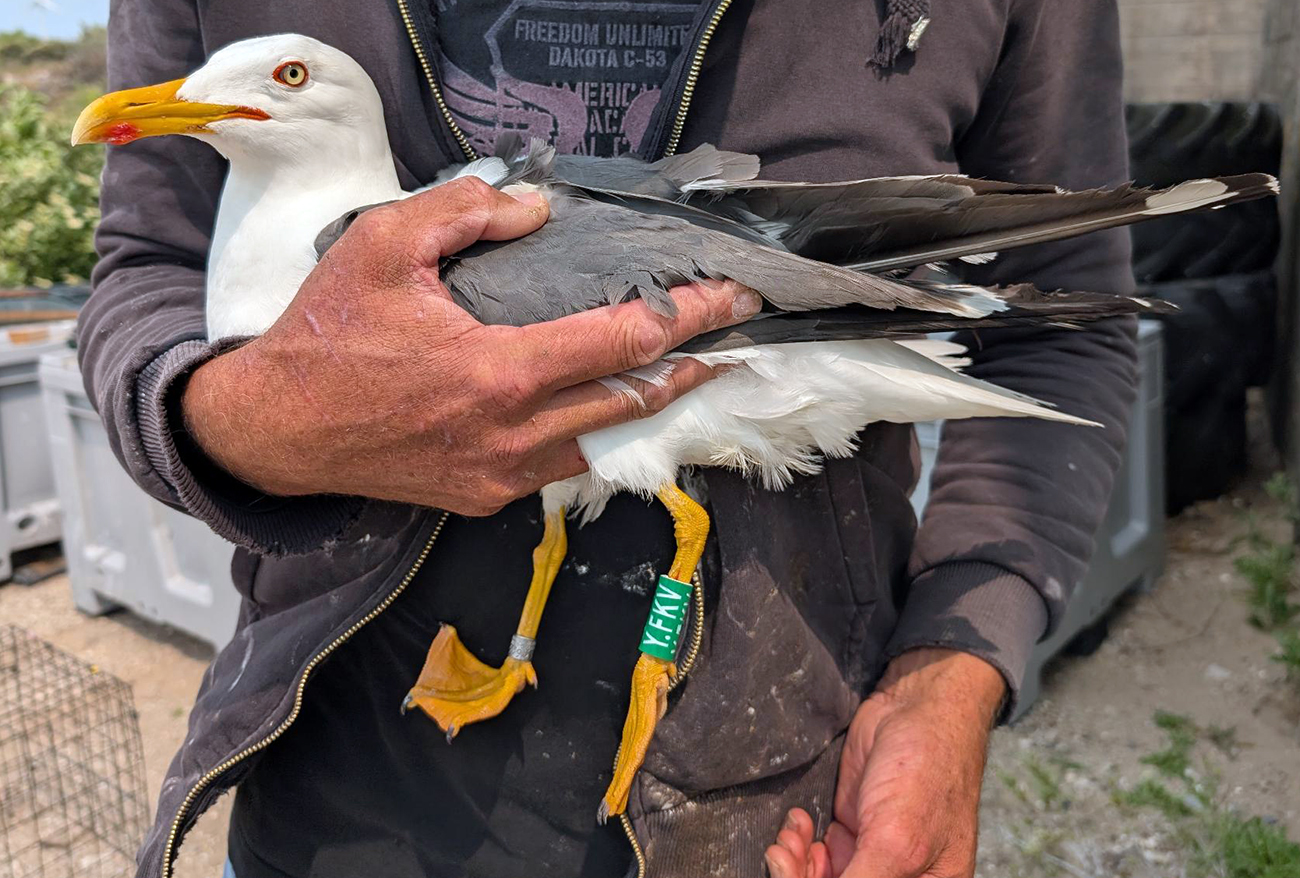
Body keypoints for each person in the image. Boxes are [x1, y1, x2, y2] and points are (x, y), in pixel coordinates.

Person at [81, 1, 1137, 877]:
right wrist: (258, 420)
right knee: (565, 506)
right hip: (331, 790)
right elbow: (144, 270)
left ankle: (639, 675)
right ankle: (518, 659)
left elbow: (1078, 323)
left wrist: (952, 669)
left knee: (660, 506)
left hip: (769, 798)